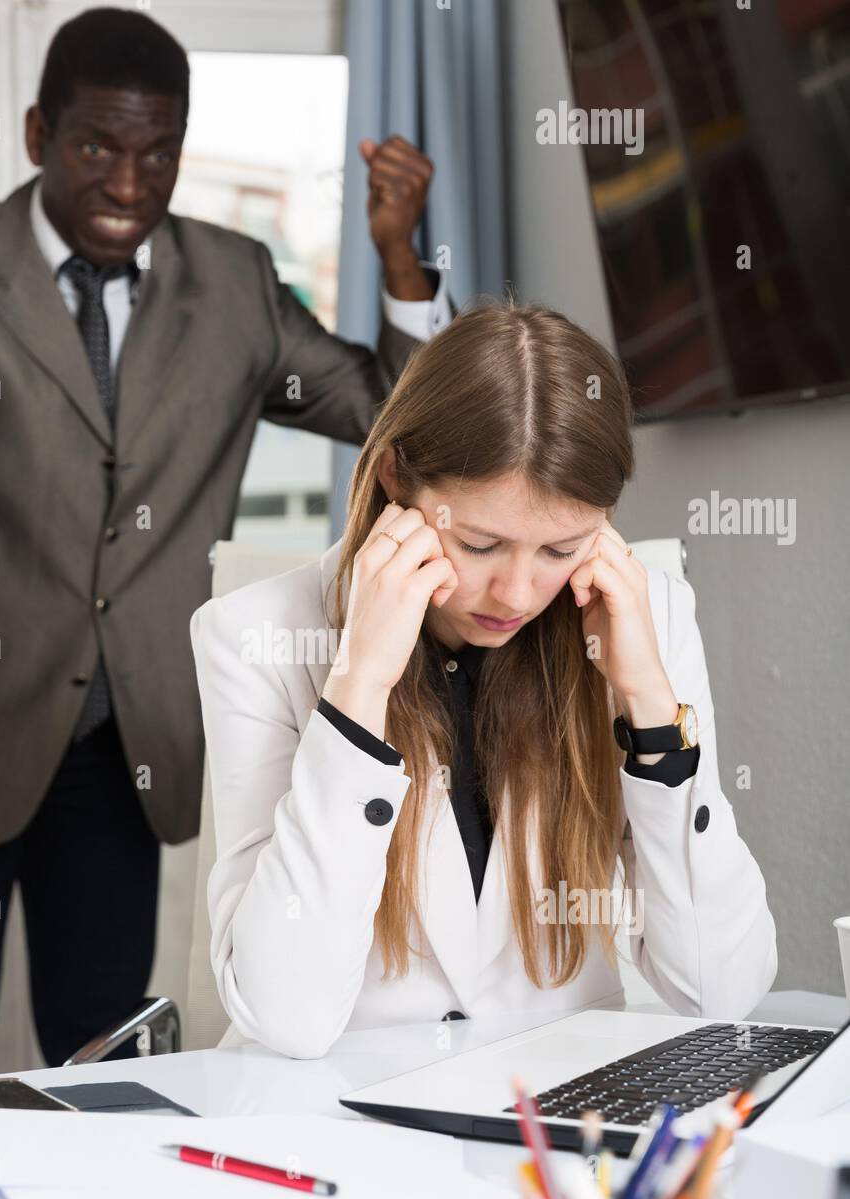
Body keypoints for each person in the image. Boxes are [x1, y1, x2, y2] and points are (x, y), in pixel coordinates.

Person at [0, 8, 451, 1079]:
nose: (129, 185)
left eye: (157, 154)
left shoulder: (234, 280)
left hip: (123, 748)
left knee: (104, 1057)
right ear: (40, 131)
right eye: (97, 147)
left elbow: (392, 417)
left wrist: (396, 262)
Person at [190, 301, 778, 1059]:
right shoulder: (253, 636)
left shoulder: (645, 614)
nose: (516, 595)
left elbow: (721, 990)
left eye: (560, 549)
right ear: (395, 477)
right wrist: (359, 685)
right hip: (333, 1119)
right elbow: (285, 1017)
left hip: (550, 1116)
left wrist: (652, 712)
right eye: (478, 543)